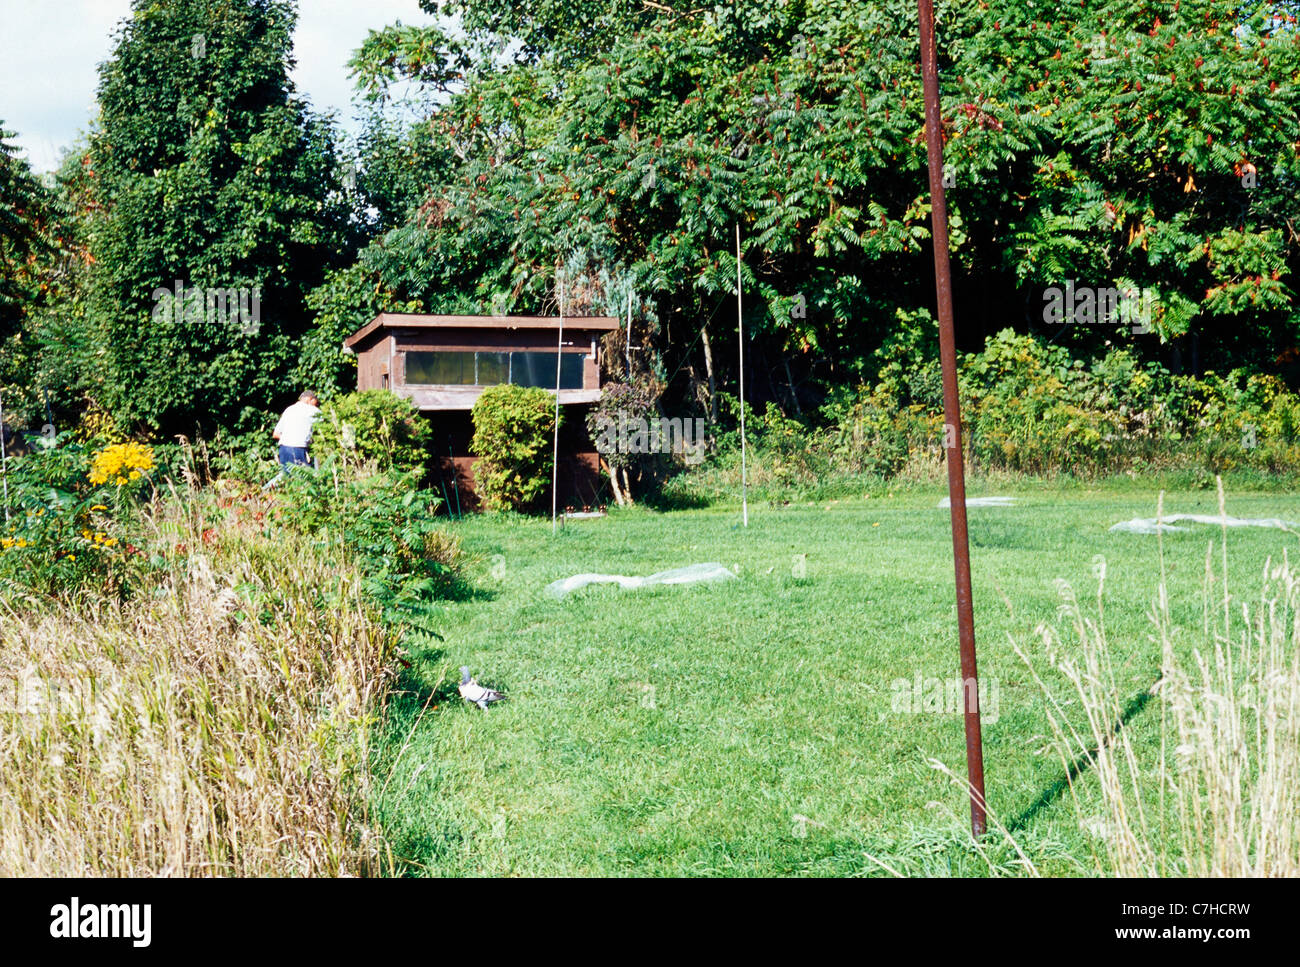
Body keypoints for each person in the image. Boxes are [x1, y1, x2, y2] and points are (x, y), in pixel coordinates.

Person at [272, 391, 320, 468]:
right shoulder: (312, 410)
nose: (316, 405)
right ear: (310, 399)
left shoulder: (289, 409)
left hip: (283, 449)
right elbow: (326, 425)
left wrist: (289, 438)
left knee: (288, 478)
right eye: (316, 403)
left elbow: (276, 434)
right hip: (298, 449)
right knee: (303, 478)